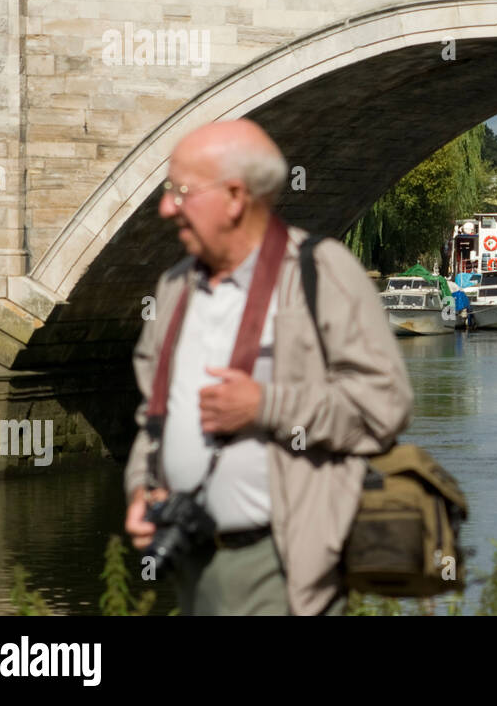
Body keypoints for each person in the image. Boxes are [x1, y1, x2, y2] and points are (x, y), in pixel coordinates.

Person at [123, 119, 412, 615]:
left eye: (180, 191)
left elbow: (384, 406)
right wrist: (140, 489)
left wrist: (266, 405)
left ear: (235, 197)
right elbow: (152, 420)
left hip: (280, 564)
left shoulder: (319, 272)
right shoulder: (174, 288)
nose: (166, 207)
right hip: (191, 556)